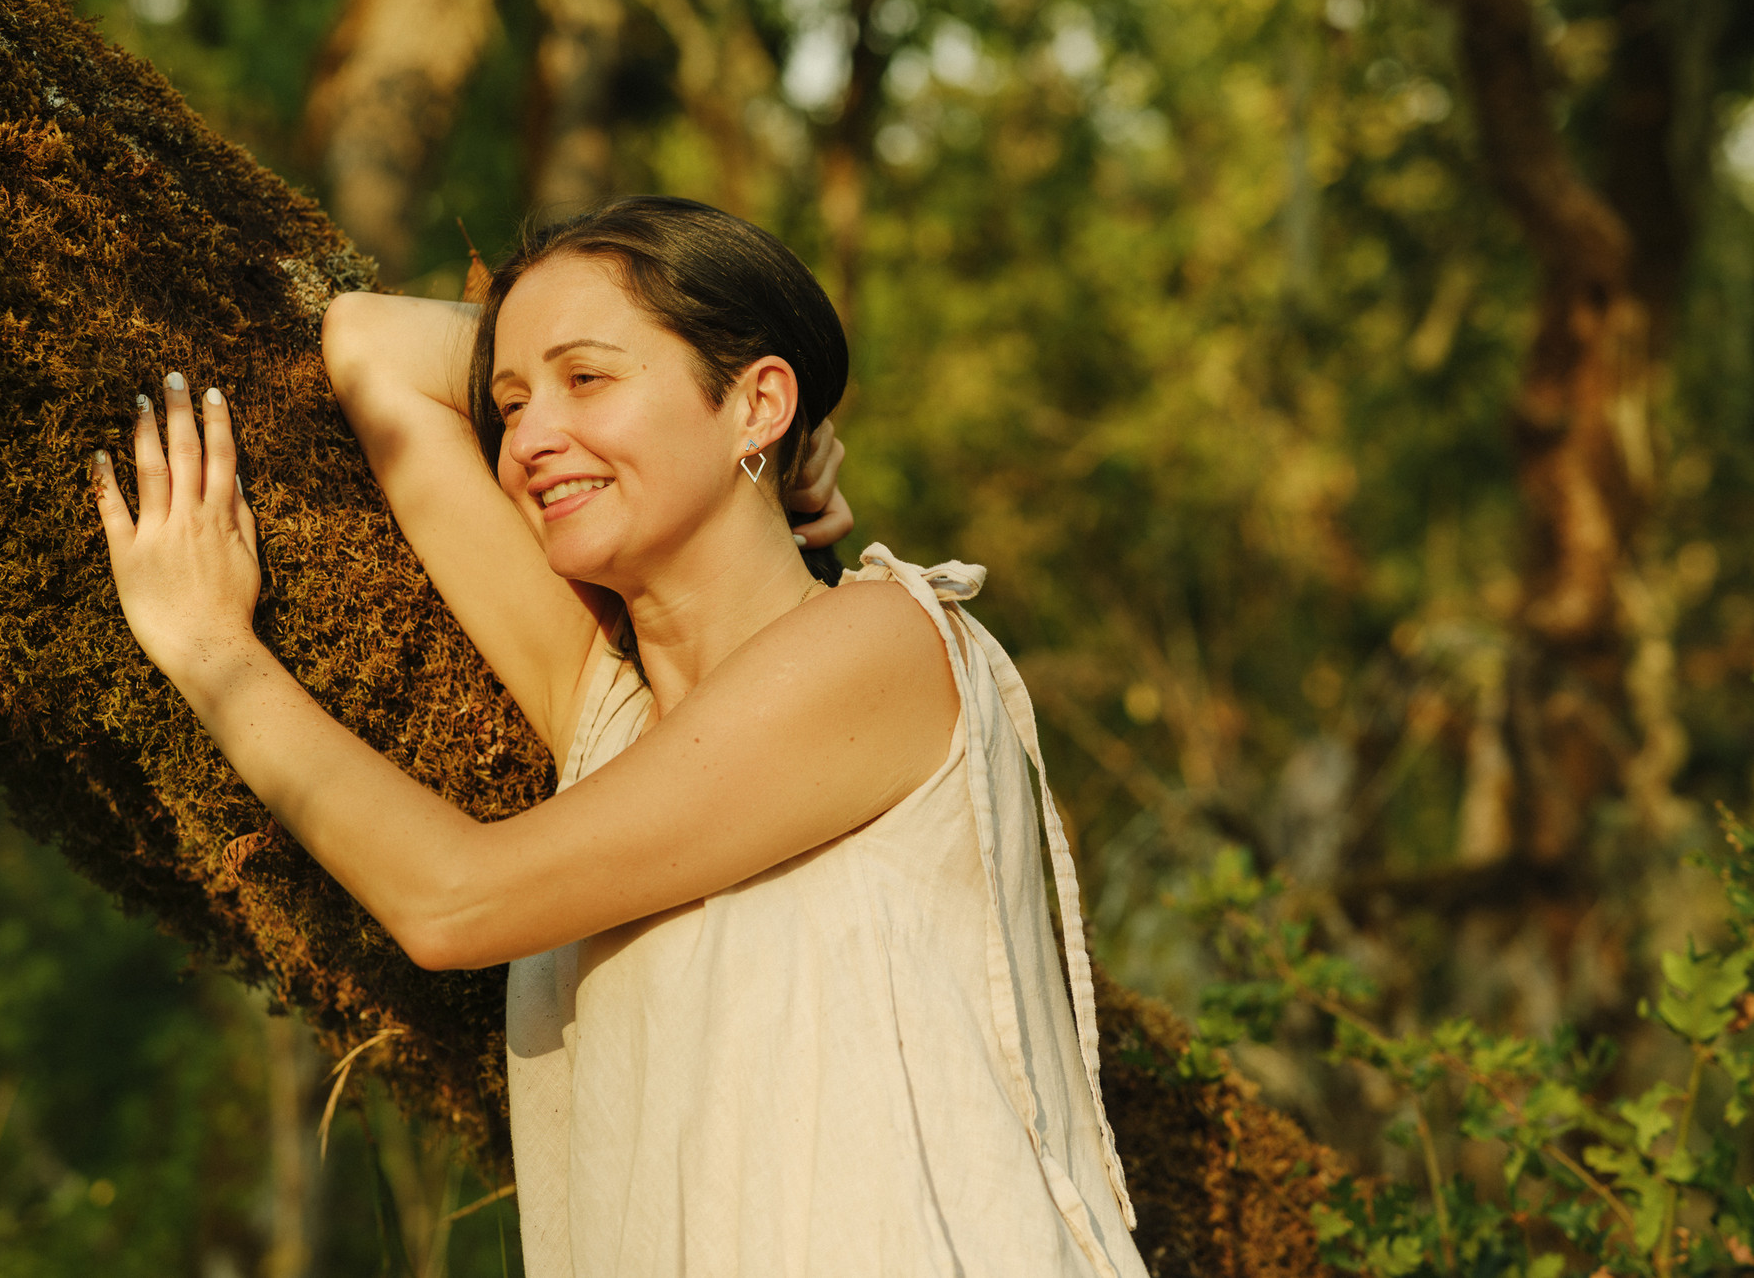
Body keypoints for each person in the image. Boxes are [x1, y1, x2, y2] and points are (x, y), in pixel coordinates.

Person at [91, 196, 1145, 1277]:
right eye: (509, 404)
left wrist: (214, 651)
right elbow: (369, 342)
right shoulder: (607, 719)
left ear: (758, 399)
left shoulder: (888, 645)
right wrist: (710, 394)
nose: (530, 439)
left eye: (587, 379)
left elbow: (455, 899)